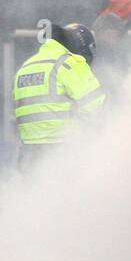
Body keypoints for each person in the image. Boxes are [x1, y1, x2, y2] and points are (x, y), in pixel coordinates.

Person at [12, 23, 105, 170]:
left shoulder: (26, 67)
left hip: (28, 154)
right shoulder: (70, 63)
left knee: (32, 191)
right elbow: (97, 108)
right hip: (63, 152)